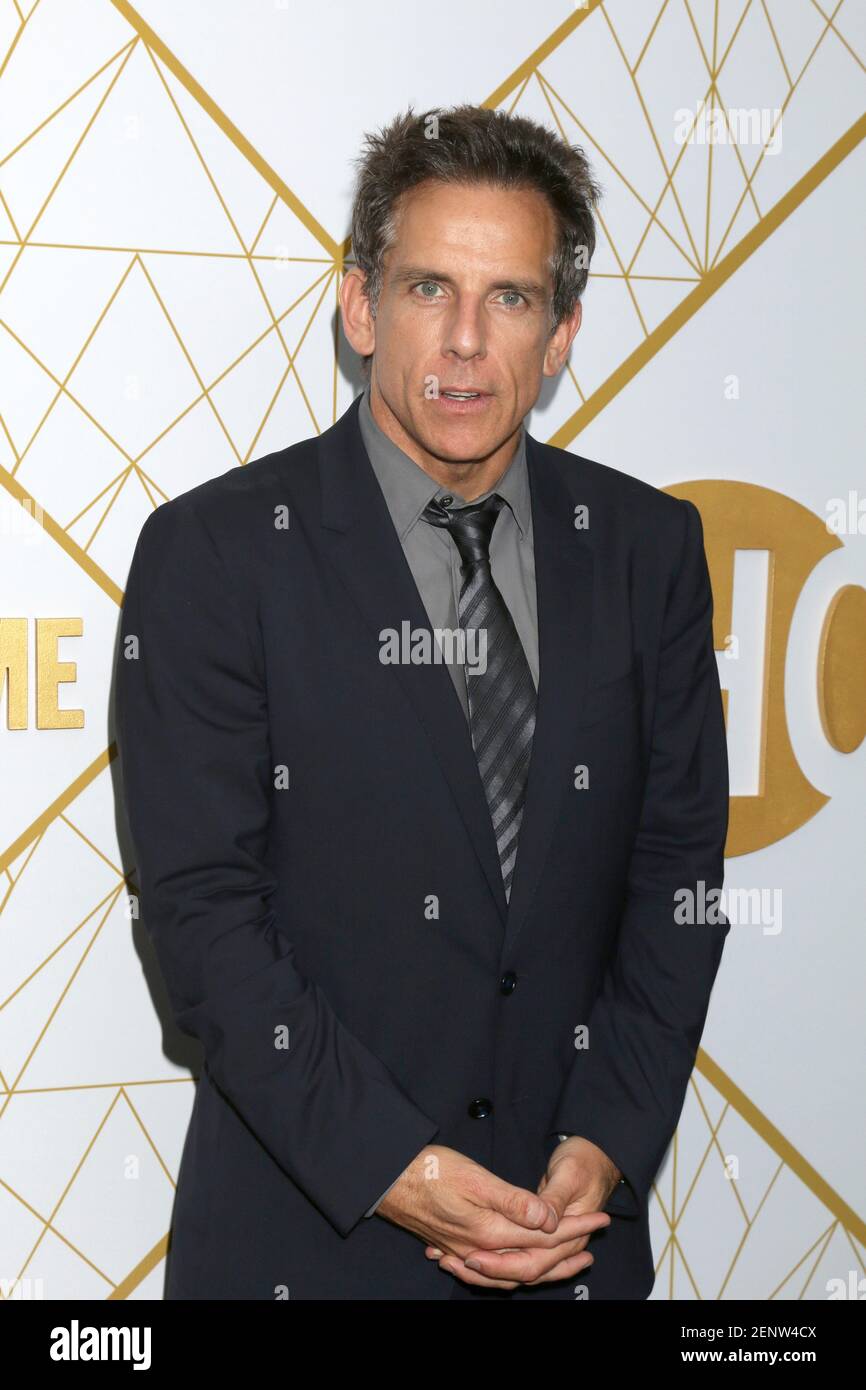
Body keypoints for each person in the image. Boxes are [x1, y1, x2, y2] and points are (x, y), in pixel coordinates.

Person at [115, 103, 729, 1301]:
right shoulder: (218, 555)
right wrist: (397, 1167)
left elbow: (677, 882)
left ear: (558, 335)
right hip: (308, 1246)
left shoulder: (645, 549)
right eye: (425, 289)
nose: (462, 342)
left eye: (507, 299)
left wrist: (603, 1144)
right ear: (358, 309)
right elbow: (201, 922)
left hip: (573, 1254)